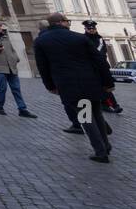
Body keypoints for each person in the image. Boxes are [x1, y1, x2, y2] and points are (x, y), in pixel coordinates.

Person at [36, 12, 116, 163]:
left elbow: (43, 67)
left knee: (86, 118)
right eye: (68, 20)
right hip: (90, 82)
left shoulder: (42, 41)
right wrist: (108, 82)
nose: (69, 23)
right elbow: (100, 61)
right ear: (61, 22)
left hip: (69, 85)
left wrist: (50, 86)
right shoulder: (80, 37)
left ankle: (100, 151)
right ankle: (105, 146)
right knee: (97, 114)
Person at [0, 18, 37, 118]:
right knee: (2, 87)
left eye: (0, 25)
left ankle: (22, 109)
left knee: (16, 88)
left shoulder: (4, 36)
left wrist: (16, 58)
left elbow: (12, 49)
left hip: (11, 66)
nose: (0, 27)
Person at [82, 20, 124, 114]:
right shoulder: (83, 38)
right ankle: (109, 105)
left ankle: (112, 105)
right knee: (100, 87)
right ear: (85, 29)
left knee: (106, 87)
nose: (92, 30)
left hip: (102, 66)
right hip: (91, 67)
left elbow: (102, 51)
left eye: (93, 28)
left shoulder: (100, 39)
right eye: (89, 28)